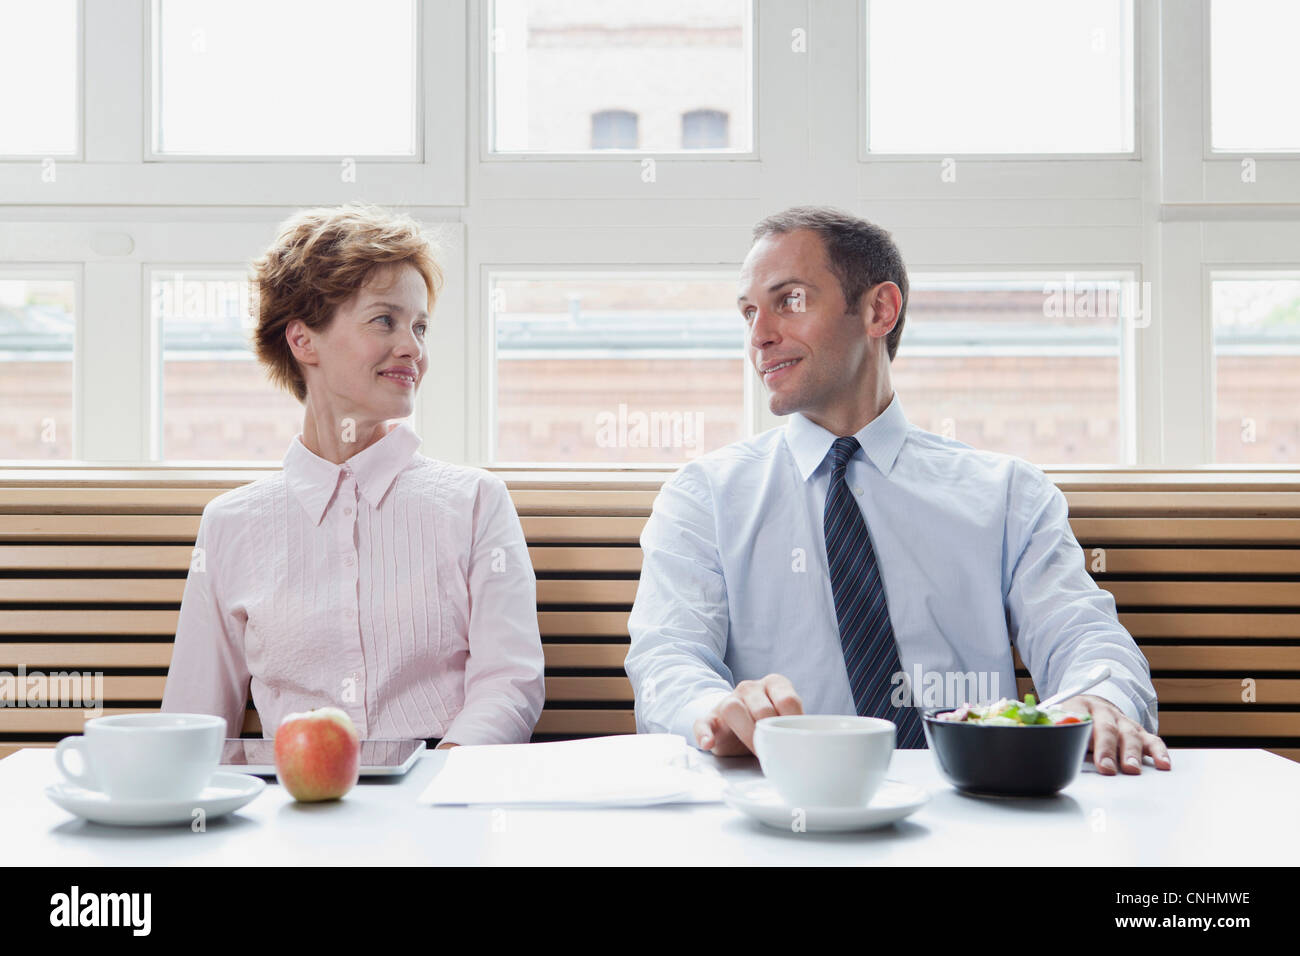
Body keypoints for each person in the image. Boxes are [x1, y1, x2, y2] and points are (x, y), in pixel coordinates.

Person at [625, 205, 1171, 777]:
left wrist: (1099, 698)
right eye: (748, 313)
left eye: (790, 301)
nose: (759, 337)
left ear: (878, 310)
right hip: (785, 807)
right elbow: (667, 661)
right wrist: (715, 713)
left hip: (973, 809)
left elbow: (1084, 635)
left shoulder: (1007, 494)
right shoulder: (704, 498)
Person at [162, 202, 545, 749]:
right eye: (384, 320)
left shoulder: (476, 502)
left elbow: (509, 684)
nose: (412, 347)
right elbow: (194, 720)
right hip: (293, 812)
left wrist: (438, 785)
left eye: (420, 326)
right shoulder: (231, 525)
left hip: (441, 805)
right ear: (303, 341)